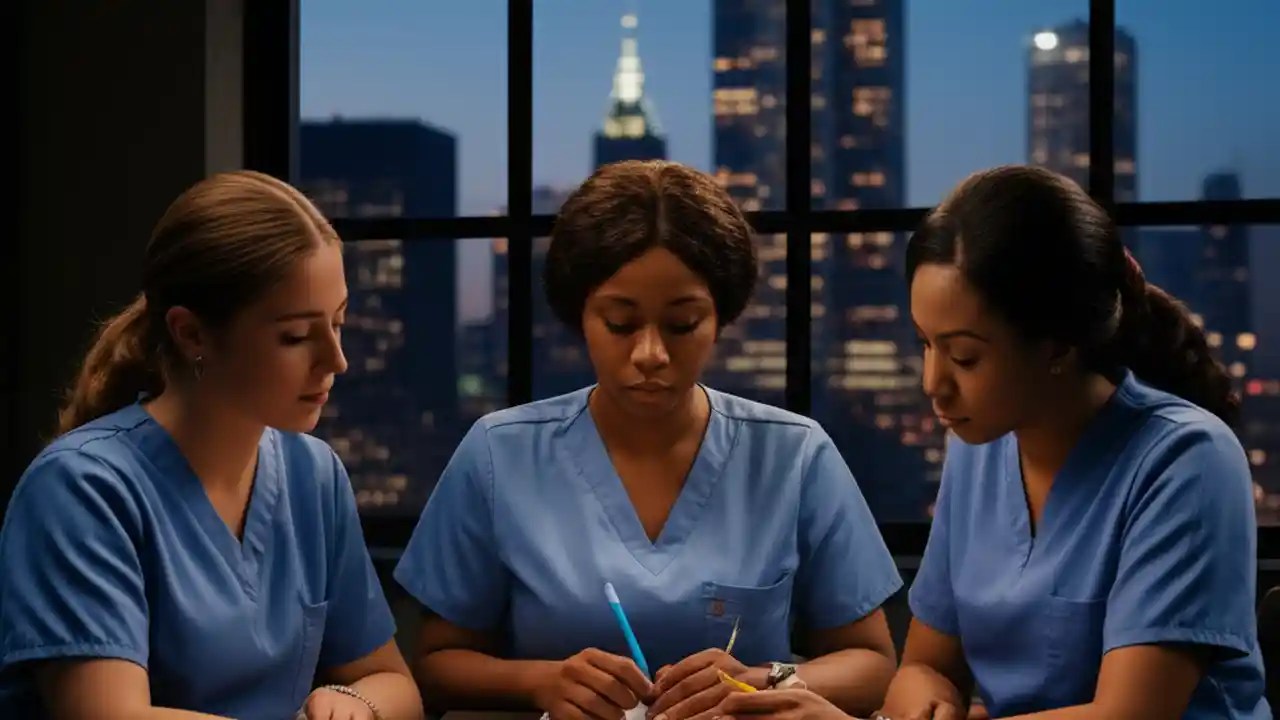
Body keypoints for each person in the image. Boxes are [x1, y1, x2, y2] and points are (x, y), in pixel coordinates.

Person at [720, 164, 1267, 720]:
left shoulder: (1185, 460)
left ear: (1058, 346)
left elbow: (1127, 715)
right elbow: (925, 666)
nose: (933, 383)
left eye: (964, 357)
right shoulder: (977, 450)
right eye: (924, 345)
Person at [393, 160, 902, 720]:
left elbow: (873, 664)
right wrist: (543, 683)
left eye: (682, 325)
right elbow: (437, 664)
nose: (650, 354)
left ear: (720, 318)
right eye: (619, 323)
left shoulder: (793, 456)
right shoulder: (499, 454)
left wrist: (761, 681)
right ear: (579, 315)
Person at [0, 171, 423, 720]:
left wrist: (354, 703)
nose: (336, 360)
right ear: (192, 333)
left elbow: (394, 684)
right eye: (296, 336)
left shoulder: (312, 475)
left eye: (339, 323)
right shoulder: (81, 489)